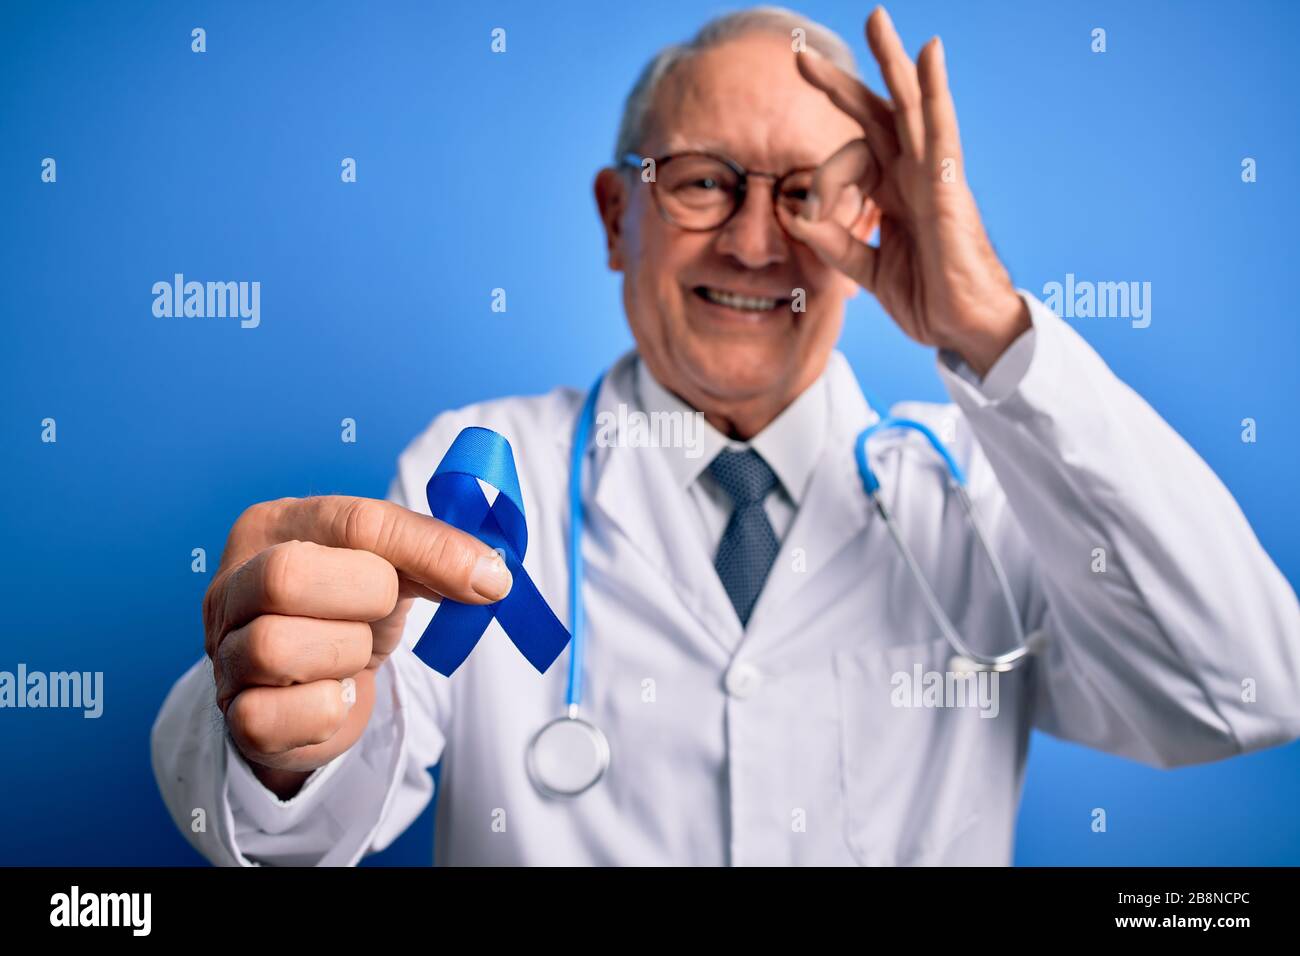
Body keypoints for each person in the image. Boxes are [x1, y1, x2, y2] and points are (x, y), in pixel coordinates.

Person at [151, 5, 1300, 866]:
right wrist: (280, 741)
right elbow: (300, 814)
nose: (755, 244)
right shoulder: (482, 479)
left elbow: (1245, 687)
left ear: (873, 221)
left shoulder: (979, 495)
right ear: (619, 217)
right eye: (703, 183)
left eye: (805, 193)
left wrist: (990, 327)